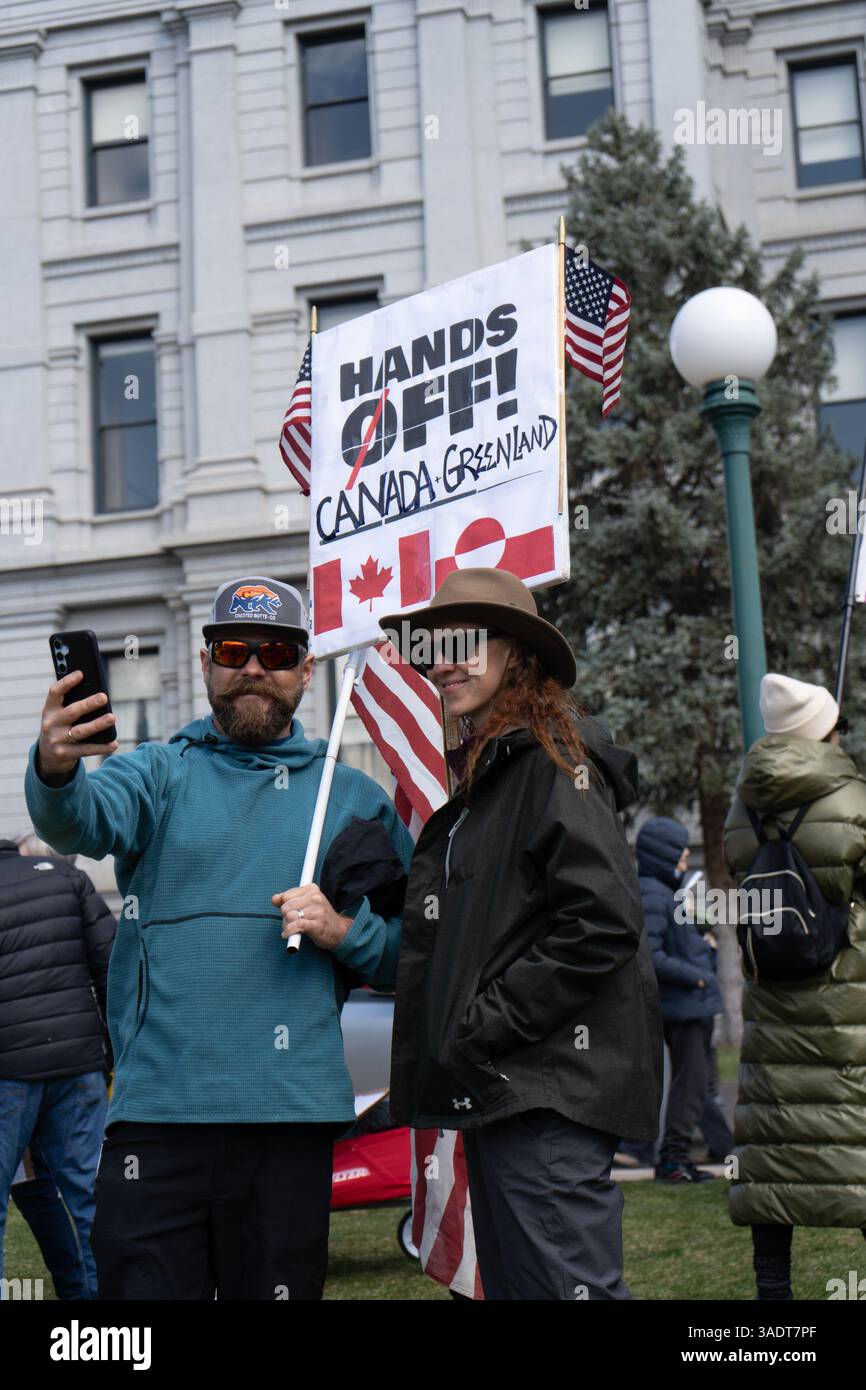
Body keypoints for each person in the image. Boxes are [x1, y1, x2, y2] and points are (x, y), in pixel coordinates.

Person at [24, 575, 413, 1301]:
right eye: (234, 649)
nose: (254, 667)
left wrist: (344, 931)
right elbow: (77, 821)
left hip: (287, 1122)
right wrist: (54, 764)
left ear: (305, 669)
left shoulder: (350, 797)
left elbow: (413, 954)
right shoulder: (156, 772)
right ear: (207, 664)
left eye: (277, 652)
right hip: (158, 1118)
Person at [384, 567, 663, 1301]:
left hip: (546, 1092)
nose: (440, 661)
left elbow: (601, 920)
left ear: (518, 654)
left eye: (463, 643)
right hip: (505, 1088)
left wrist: (483, 1027)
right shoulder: (494, 773)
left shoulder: (551, 762)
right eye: (431, 646)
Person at [724, 673, 866, 1299]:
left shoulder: (743, 805)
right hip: (849, 1011)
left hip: (773, 1004)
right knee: (856, 1144)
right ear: (828, 730)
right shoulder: (854, 798)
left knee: (774, 1147)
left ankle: (773, 1304)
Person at [0, 829, 115, 1299]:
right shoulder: (67, 877)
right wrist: (108, 1053)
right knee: (91, 1196)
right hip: (78, 1064)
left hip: (8, 1072)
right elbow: (113, 967)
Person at [637, 816, 732, 1183]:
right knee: (690, 1086)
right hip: (685, 1007)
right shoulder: (655, 895)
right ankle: (673, 1161)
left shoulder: (667, 892)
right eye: (680, 854)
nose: (684, 861)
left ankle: (710, 1149)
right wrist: (697, 975)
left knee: (696, 1086)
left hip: (692, 1005)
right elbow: (651, 955)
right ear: (663, 856)